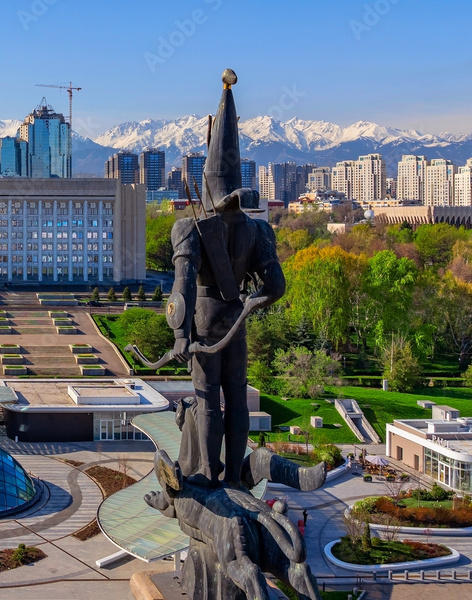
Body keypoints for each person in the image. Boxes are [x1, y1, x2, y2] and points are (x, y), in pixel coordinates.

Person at [166, 70, 286, 488]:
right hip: (237, 322)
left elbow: (181, 287)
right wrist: (252, 302)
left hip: (204, 320)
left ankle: (206, 472)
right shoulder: (258, 230)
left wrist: (180, 334)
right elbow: (276, 287)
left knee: (206, 399)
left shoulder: (190, 227)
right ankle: (235, 474)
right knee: (237, 399)